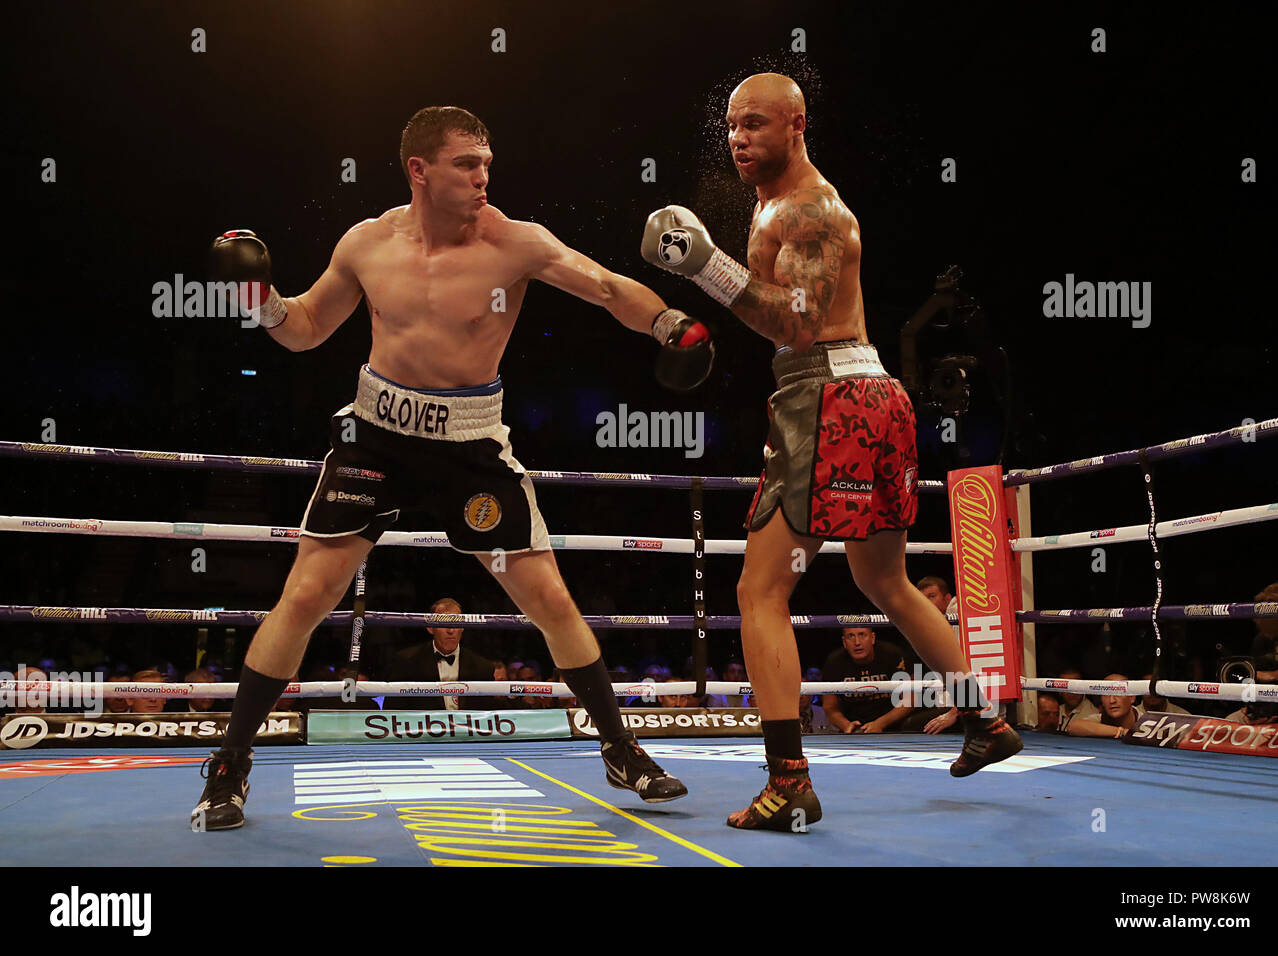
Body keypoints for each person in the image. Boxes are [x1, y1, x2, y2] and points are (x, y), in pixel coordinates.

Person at [192, 106, 705, 830]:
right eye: (467, 164)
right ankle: (229, 766)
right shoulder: (368, 243)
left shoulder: (515, 242)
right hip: (376, 435)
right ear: (419, 170)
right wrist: (260, 301)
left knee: (551, 602)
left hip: (470, 445)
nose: (483, 176)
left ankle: (620, 748)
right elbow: (305, 328)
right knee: (307, 594)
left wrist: (668, 324)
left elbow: (609, 287)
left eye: (487, 162)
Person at [642, 73, 1020, 831]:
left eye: (755, 124)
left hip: (830, 398)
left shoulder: (811, 209)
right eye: (731, 128)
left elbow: (799, 325)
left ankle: (790, 784)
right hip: (869, 395)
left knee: (759, 591)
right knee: (885, 579)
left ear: (797, 124)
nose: (739, 139)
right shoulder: (778, 204)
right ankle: (988, 720)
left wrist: (705, 268)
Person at [389, 597, 496, 710]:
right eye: (444, 623)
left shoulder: (483, 667)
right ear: (430, 628)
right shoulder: (407, 661)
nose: (451, 631)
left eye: (456, 624)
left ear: (463, 627)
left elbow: (488, 715)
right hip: (425, 726)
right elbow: (395, 710)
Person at [821, 628, 910, 734]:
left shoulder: (892, 655)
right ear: (844, 642)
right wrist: (846, 725)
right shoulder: (834, 662)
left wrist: (881, 723)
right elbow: (830, 706)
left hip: (894, 728)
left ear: (872, 638)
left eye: (862, 635)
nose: (857, 642)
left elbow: (910, 699)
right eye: (851, 636)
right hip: (853, 729)